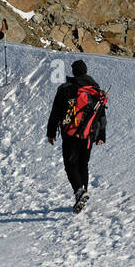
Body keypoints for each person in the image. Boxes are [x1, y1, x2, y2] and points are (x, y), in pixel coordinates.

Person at [46, 60, 108, 213]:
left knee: (70, 165)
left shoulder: (66, 88)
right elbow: (101, 115)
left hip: (70, 133)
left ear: (74, 72)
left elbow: (55, 112)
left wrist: (51, 132)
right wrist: (101, 135)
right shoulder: (96, 90)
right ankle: (82, 194)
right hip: (89, 134)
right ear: (86, 71)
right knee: (82, 165)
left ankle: (79, 192)